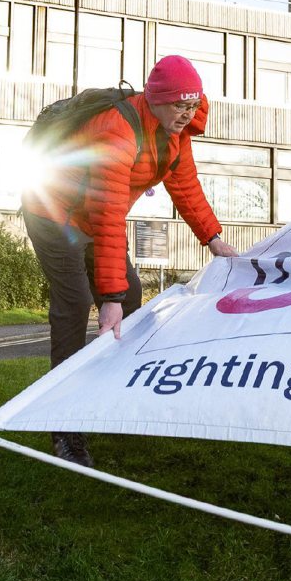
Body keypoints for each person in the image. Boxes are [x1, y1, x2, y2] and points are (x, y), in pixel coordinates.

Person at [21, 55, 238, 467]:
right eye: (179, 105)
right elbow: (108, 215)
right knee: (74, 304)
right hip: (55, 213)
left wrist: (213, 239)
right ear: (154, 99)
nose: (187, 114)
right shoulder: (117, 130)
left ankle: (111, 389)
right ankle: (64, 425)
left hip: (93, 214)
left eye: (193, 106)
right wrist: (109, 297)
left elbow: (184, 184)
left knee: (132, 294)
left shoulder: (175, 133)